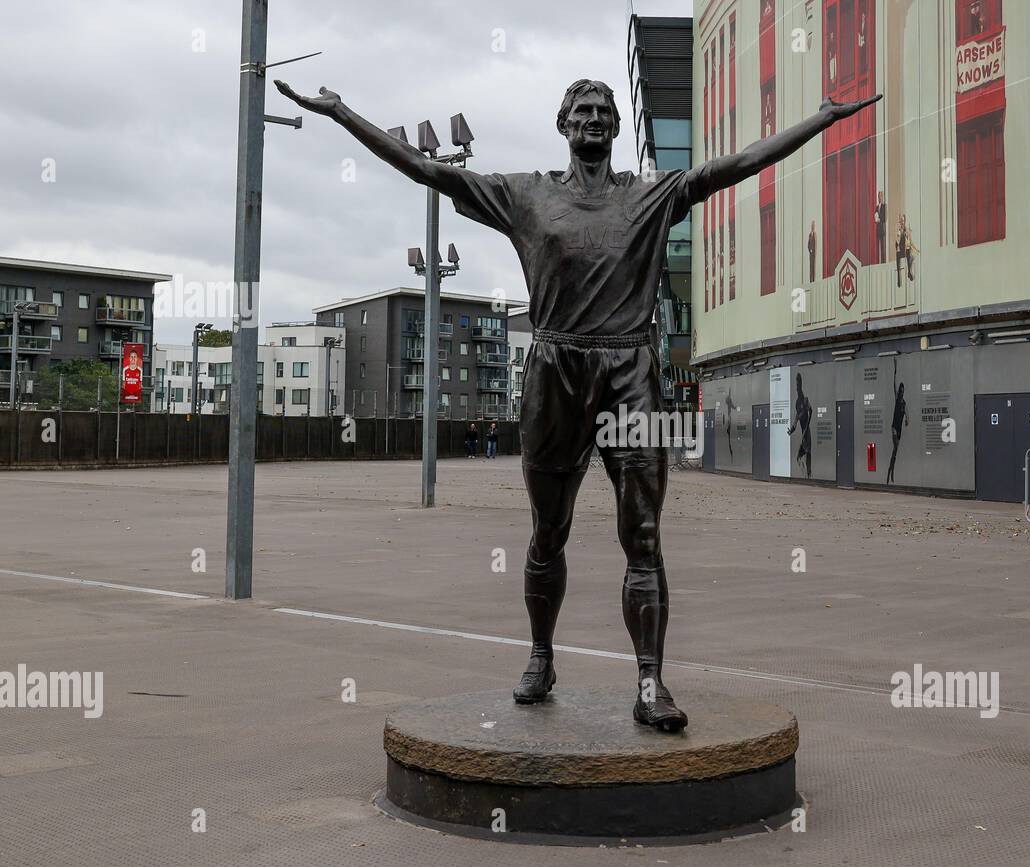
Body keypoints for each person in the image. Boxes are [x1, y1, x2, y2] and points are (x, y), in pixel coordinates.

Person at [277, 76, 879, 732]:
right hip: (555, 370)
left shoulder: (651, 195)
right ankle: (540, 654)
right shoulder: (525, 195)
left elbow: (737, 166)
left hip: (629, 370)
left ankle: (650, 681)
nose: (592, 119)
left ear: (615, 127)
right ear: (563, 125)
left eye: (603, 111)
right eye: (581, 111)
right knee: (547, 529)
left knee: (643, 533)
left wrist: (820, 118)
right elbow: (427, 171)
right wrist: (342, 113)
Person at [788, 373, 813, 479]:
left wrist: (807, 426)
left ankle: (809, 474)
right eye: (796, 385)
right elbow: (796, 419)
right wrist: (792, 430)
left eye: (799, 384)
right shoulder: (797, 403)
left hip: (806, 433)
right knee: (798, 457)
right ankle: (807, 475)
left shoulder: (805, 400)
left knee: (807, 452)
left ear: (801, 385)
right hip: (803, 432)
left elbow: (811, 411)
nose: (797, 387)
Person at [887, 361, 908, 484]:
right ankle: (891, 473)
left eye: (902, 390)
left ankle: (891, 471)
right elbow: (893, 385)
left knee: (895, 452)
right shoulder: (896, 398)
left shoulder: (903, 402)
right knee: (895, 450)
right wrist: (895, 371)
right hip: (895, 427)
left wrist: (906, 419)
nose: (901, 392)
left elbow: (906, 412)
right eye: (900, 390)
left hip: (899, 428)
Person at [873, 191, 887, 264]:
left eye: (881, 196)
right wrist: (876, 218)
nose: (880, 197)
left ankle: (883, 261)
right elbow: (875, 215)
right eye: (879, 196)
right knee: (878, 246)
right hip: (878, 229)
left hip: (882, 229)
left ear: (883, 197)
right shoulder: (877, 207)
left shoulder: (885, 206)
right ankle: (878, 261)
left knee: (883, 247)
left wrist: (879, 219)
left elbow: (884, 217)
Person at [807, 220, 817, 284]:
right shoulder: (810, 234)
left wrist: (814, 250)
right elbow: (808, 244)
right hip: (811, 253)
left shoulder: (815, 234)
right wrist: (810, 249)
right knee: (811, 266)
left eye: (813, 226)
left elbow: (815, 243)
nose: (812, 227)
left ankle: (813, 280)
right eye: (812, 225)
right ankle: (811, 280)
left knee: (813, 266)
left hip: (813, 252)